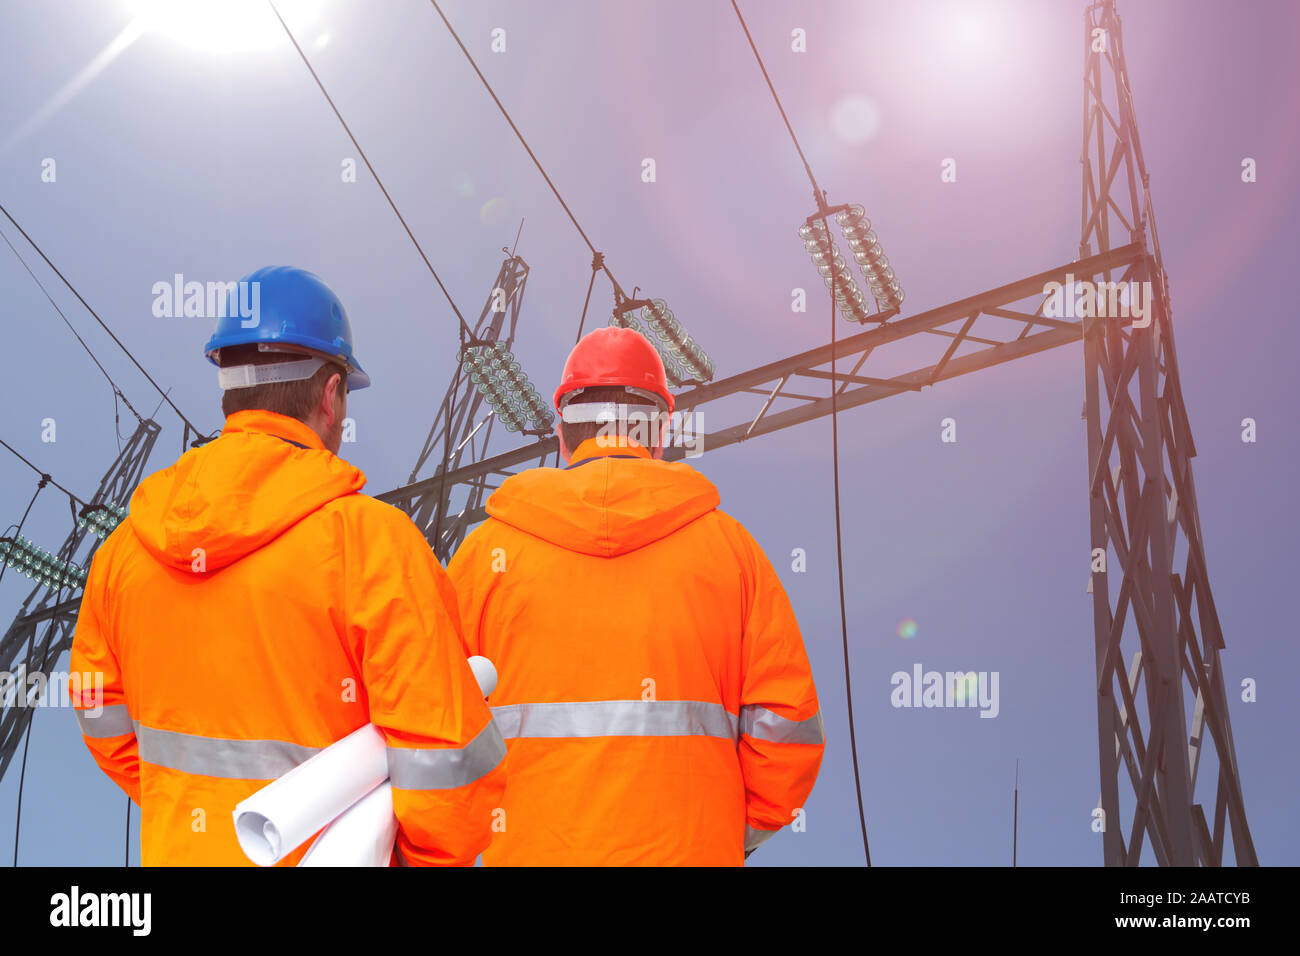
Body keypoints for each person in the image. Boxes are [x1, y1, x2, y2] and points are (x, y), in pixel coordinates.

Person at [70, 266, 505, 866]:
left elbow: (99, 713)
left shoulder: (124, 552)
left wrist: (195, 817)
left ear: (229, 387)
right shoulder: (372, 545)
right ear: (329, 395)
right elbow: (446, 761)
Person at [447, 326, 824, 865]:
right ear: (661, 430)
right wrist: (723, 832)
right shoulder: (731, 551)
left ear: (562, 433)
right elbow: (788, 731)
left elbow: (433, 733)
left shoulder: (485, 557)